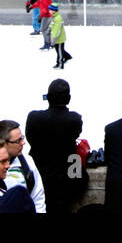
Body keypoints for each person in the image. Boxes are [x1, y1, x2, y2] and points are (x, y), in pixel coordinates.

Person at [25, 78, 87, 213]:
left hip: (41, 175)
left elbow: (30, 138)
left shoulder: (34, 117)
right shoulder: (74, 118)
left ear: (48, 97)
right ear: (68, 98)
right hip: (65, 178)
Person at [0, 120, 47, 213]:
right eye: (18, 141)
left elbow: (38, 198)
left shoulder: (27, 162)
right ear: (3, 143)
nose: (23, 143)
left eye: (22, 138)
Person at [49, 1, 72, 69]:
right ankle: (68, 57)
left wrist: (53, 41)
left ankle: (60, 64)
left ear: (54, 11)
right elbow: (52, 25)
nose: (49, 11)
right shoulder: (54, 17)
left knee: (60, 52)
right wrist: (49, 29)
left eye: (50, 10)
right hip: (56, 38)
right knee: (59, 51)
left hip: (59, 39)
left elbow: (57, 31)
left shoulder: (58, 18)